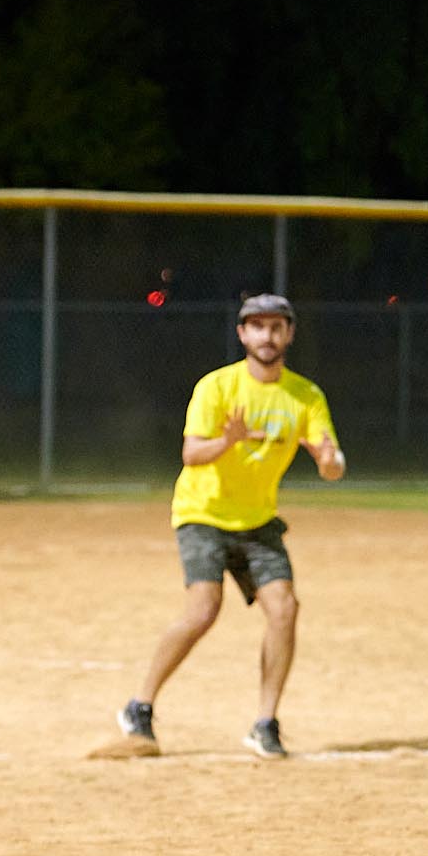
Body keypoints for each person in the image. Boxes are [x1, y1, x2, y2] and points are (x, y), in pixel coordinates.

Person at [115, 293, 346, 760]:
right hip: (203, 513)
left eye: (276, 326)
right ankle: (139, 707)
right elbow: (191, 454)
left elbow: (333, 462)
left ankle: (265, 723)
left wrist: (328, 459)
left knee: (284, 607)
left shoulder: (305, 396)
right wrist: (229, 440)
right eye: (256, 326)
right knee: (203, 609)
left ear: (289, 334)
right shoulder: (217, 387)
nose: (267, 335)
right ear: (242, 334)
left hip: (258, 521)